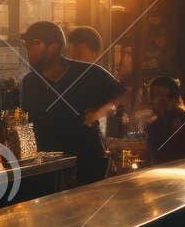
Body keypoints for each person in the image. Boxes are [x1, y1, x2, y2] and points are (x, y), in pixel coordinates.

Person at [18, 21, 127, 184]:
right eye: (27, 45)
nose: (29, 50)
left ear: (54, 46)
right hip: (49, 167)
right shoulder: (29, 82)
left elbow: (120, 94)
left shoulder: (88, 72)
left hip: (87, 162)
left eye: (34, 44)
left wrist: (97, 114)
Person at [144, 77, 185, 164]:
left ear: (175, 98)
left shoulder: (184, 121)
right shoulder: (154, 125)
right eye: (157, 95)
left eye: (167, 96)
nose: (162, 100)